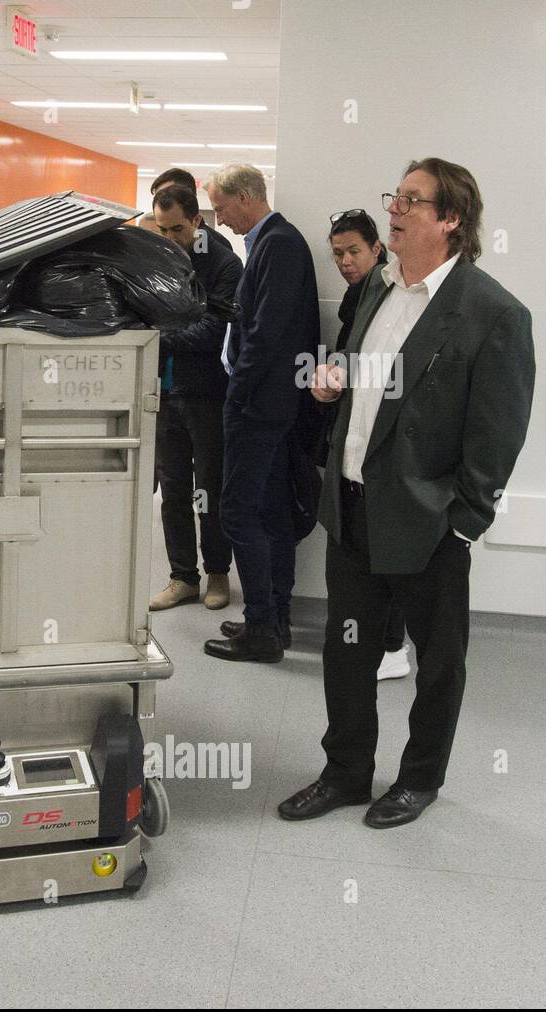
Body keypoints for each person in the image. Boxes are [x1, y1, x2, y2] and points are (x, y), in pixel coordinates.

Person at [280, 158, 535, 829]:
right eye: (396, 195)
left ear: (451, 220)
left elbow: (498, 434)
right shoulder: (376, 291)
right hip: (354, 508)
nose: (394, 208)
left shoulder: (492, 314)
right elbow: (362, 372)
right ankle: (346, 773)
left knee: (438, 663)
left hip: (429, 526)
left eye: (413, 201)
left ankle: (420, 780)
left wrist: (463, 522)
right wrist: (334, 377)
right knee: (347, 651)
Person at [202, 163, 319, 663]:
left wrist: (238, 393)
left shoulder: (279, 244)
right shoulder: (272, 242)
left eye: (223, 207)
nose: (221, 220)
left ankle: (263, 629)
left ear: (246, 196)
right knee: (269, 513)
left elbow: (266, 334)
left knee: (237, 512)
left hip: (257, 404)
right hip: (269, 402)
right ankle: (274, 620)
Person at [147, 185, 242, 614]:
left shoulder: (224, 265)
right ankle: (182, 576)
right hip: (167, 392)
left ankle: (218, 572)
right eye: (162, 229)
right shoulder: (157, 261)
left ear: (198, 221)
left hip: (207, 395)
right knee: (174, 491)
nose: (170, 238)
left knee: (211, 489)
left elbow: (215, 333)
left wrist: (162, 338)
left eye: (178, 229)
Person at [326, 208, 407, 681]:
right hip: (355, 442)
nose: (345, 261)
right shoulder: (362, 294)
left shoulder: (387, 291)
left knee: (387, 557)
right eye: (337, 253)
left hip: (385, 447)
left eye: (354, 250)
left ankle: (392, 645)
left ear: (377, 249)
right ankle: (378, 643)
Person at [150, 168, 231, 249]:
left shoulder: (218, 245)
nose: (162, 201)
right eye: (159, 196)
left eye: (170, 194)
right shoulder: (154, 239)